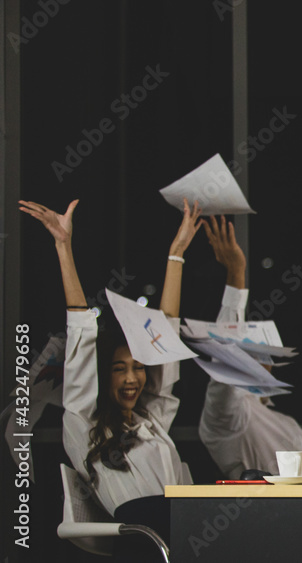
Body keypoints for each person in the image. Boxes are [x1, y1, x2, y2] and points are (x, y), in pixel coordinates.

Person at [20, 198, 202, 562]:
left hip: (187, 530)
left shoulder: (151, 421)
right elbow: (82, 336)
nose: (133, 378)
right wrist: (63, 246)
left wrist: (177, 254)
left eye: (138, 367)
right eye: (119, 368)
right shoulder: (84, 424)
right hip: (148, 542)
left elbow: (163, 338)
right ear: (103, 376)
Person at [197, 216, 302, 479]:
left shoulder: (285, 422)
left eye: (264, 353)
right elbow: (225, 358)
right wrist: (235, 275)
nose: (258, 360)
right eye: (249, 354)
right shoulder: (228, 418)